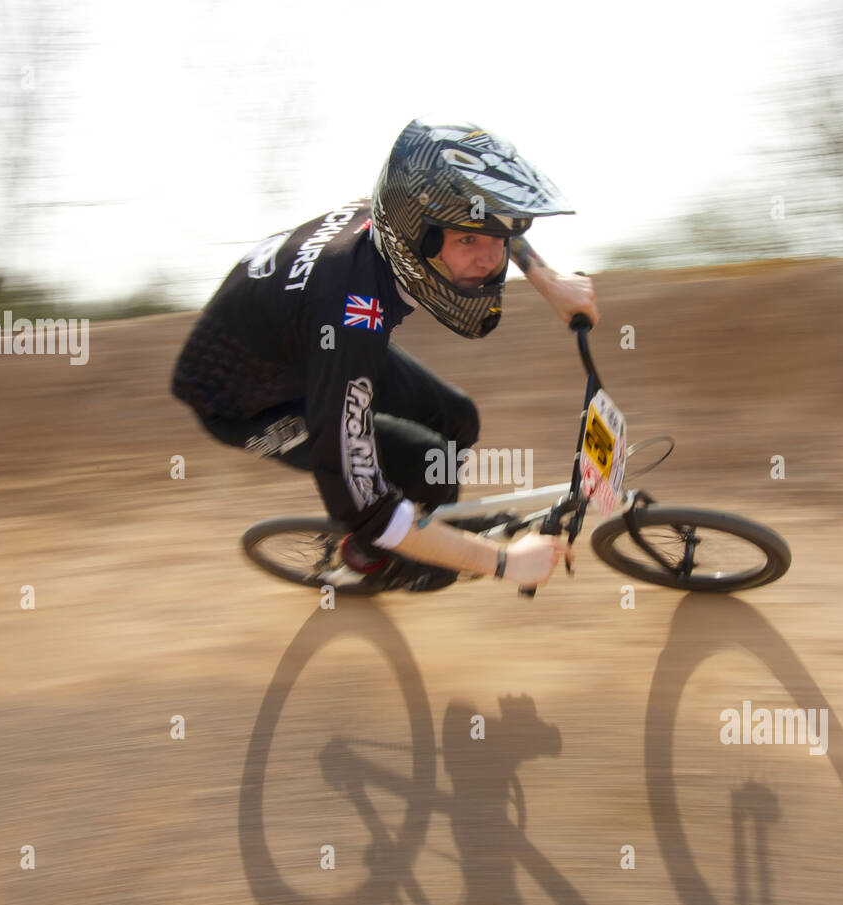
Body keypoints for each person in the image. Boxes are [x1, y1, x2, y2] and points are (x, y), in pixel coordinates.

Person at [171, 119, 598, 591]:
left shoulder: (399, 215)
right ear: (416, 239)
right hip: (246, 402)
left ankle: (432, 529)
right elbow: (364, 505)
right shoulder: (352, 318)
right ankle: (371, 557)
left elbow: (486, 214)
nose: (490, 259)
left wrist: (549, 280)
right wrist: (499, 562)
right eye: (468, 242)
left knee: (457, 418)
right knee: (420, 463)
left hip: (295, 339)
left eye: (495, 240)